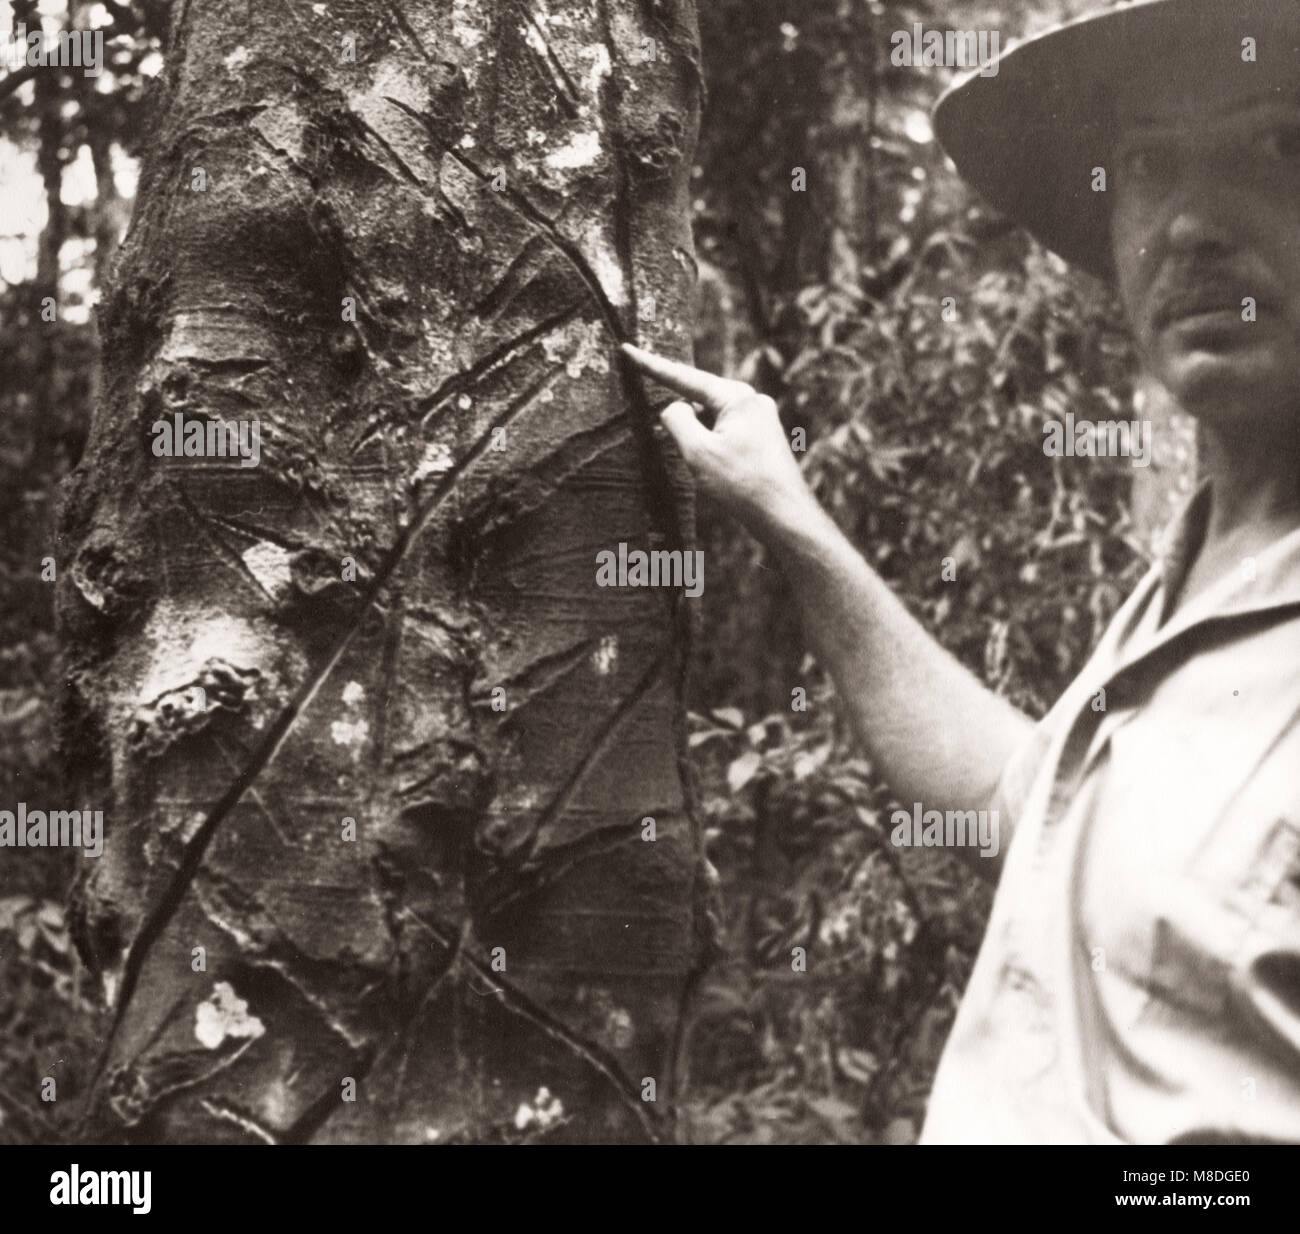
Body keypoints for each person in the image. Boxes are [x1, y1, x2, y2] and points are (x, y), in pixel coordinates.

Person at [620, 0, 1300, 1144]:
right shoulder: (1193, 580)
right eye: (1143, 163)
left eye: (1276, 143)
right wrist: (790, 517)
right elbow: (1013, 798)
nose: (1188, 226)